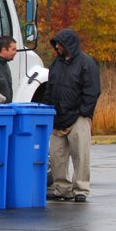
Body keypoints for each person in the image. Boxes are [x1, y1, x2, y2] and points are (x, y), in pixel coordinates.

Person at [44, 28, 100, 203]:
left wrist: (83, 112)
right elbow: (50, 87)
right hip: (58, 117)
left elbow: (92, 91)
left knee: (80, 155)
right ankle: (62, 188)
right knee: (56, 155)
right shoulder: (56, 63)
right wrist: (47, 108)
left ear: (69, 44)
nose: (57, 47)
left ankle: (80, 189)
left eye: (60, 44)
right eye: (56, 44)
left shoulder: (86, 63)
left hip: (78, 118)